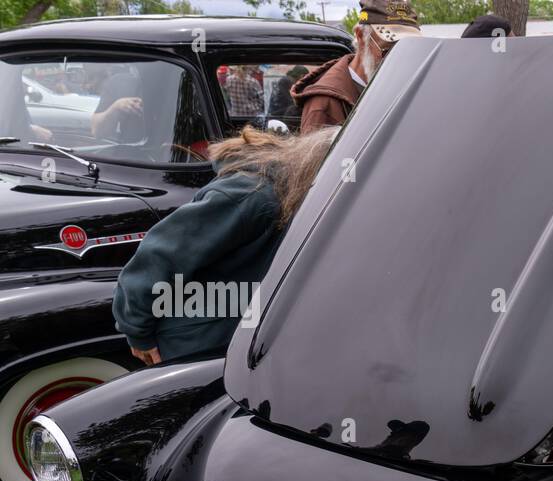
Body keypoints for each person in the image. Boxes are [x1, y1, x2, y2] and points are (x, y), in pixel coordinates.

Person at [112, 126, 338, 365]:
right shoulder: (252, 197)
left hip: (232, 334)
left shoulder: (282, 194)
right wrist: (137, 331)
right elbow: (160, 255)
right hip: (195, 343)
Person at [291, 0, 420, 134]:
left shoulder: (402, 89)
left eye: (408, 50)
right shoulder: (325, 104)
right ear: (361, 37)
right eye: (388, 50)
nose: (399, 60)